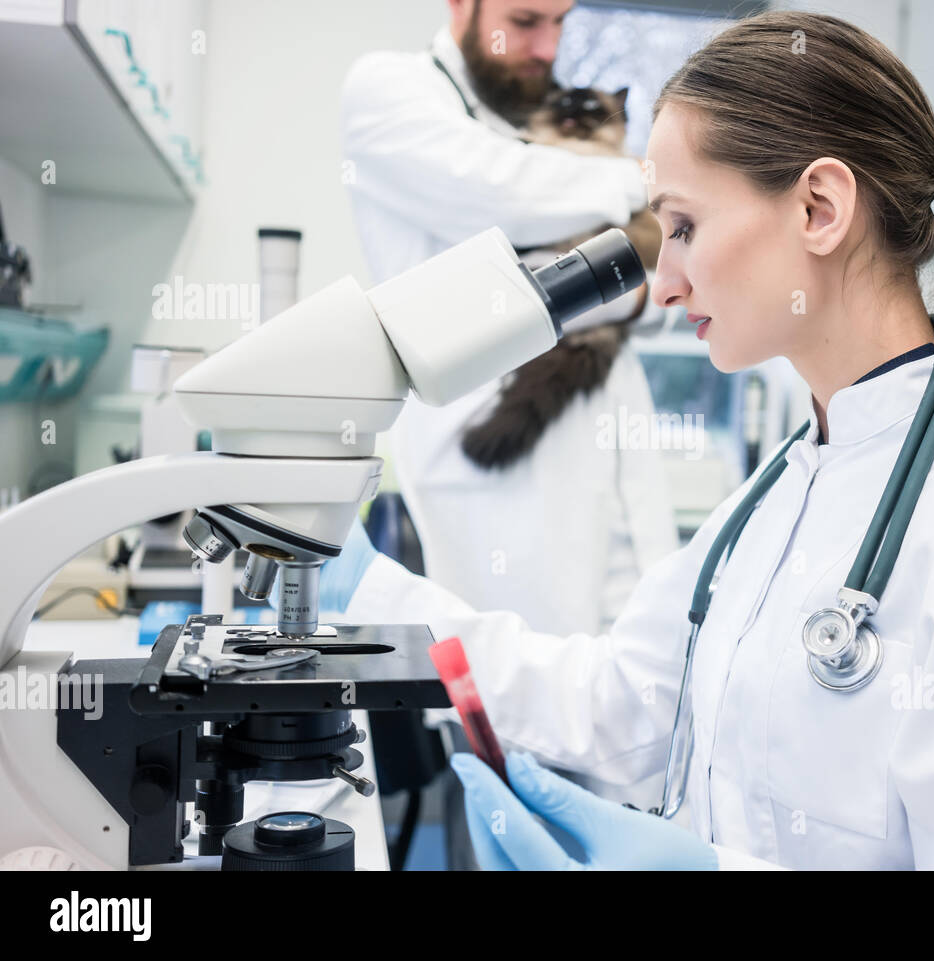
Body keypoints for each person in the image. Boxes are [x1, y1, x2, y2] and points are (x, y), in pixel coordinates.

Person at [333, 10, 934, 869]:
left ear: (819, 208)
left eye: (684, 228)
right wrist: (364, 595)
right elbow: (620, 702)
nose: (660, 285)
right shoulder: (783, 487)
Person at [338, 0, 681, 825]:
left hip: (607, 440)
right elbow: (496, 192)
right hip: (496, 476)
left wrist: (605, 267)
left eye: (561, 23)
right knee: (532, 738)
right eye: (527, 20)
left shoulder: (536, 115)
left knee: (642, 720)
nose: (549, 47)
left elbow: (664, 291)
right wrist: (654, 185)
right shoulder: (389, 91)